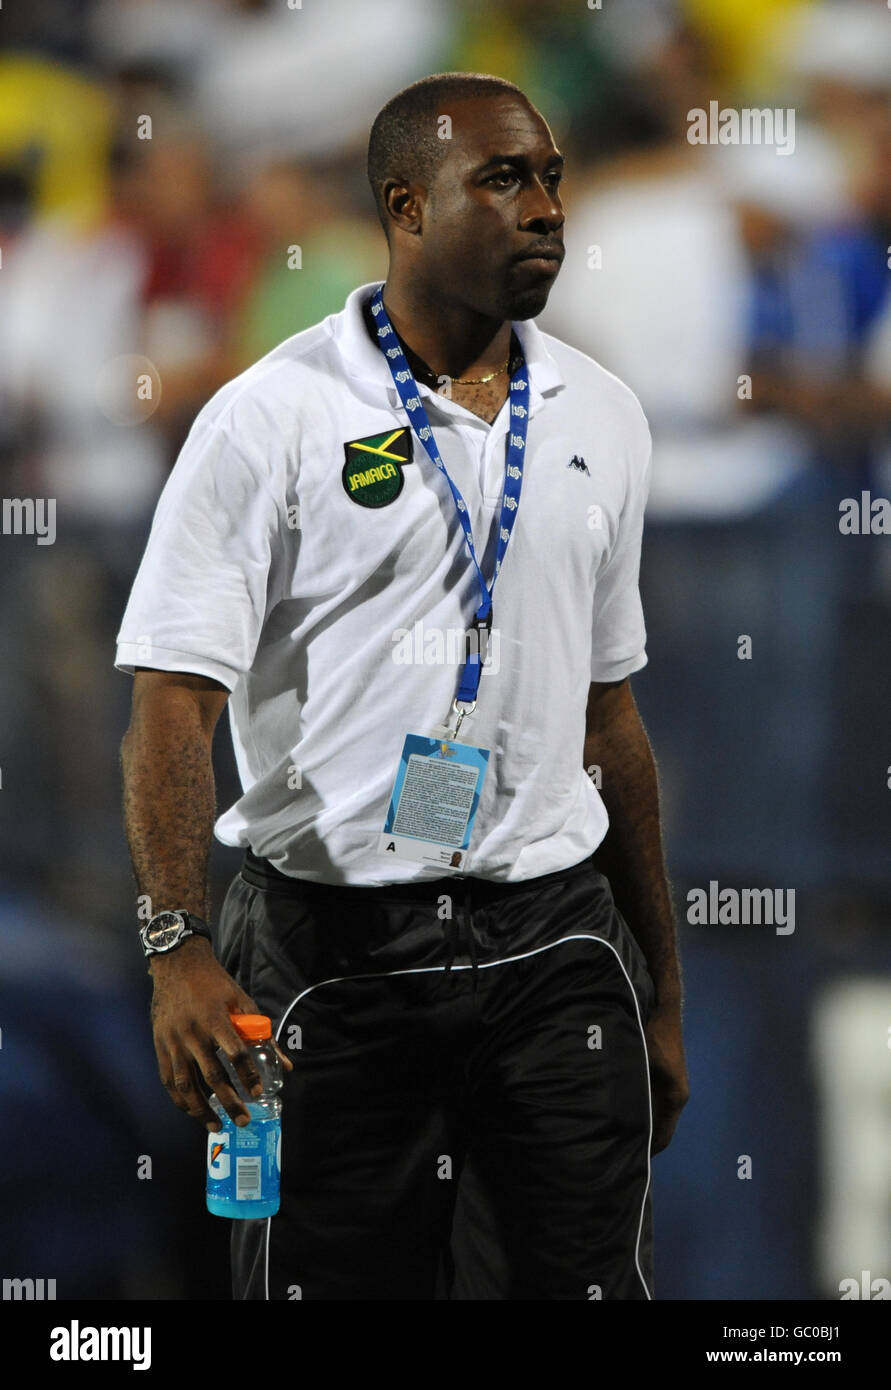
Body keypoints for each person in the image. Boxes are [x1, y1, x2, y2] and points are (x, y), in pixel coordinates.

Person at [117, 71, 688, 1301]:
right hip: (332, 949)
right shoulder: (267, 418)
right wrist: (176, 947)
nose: (544, 208)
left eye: (549, 178)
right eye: (502, 179)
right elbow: (173, 705)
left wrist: (663, 987)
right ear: (404, 206)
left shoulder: (607, 412)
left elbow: (611, 719)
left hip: (555, 946)